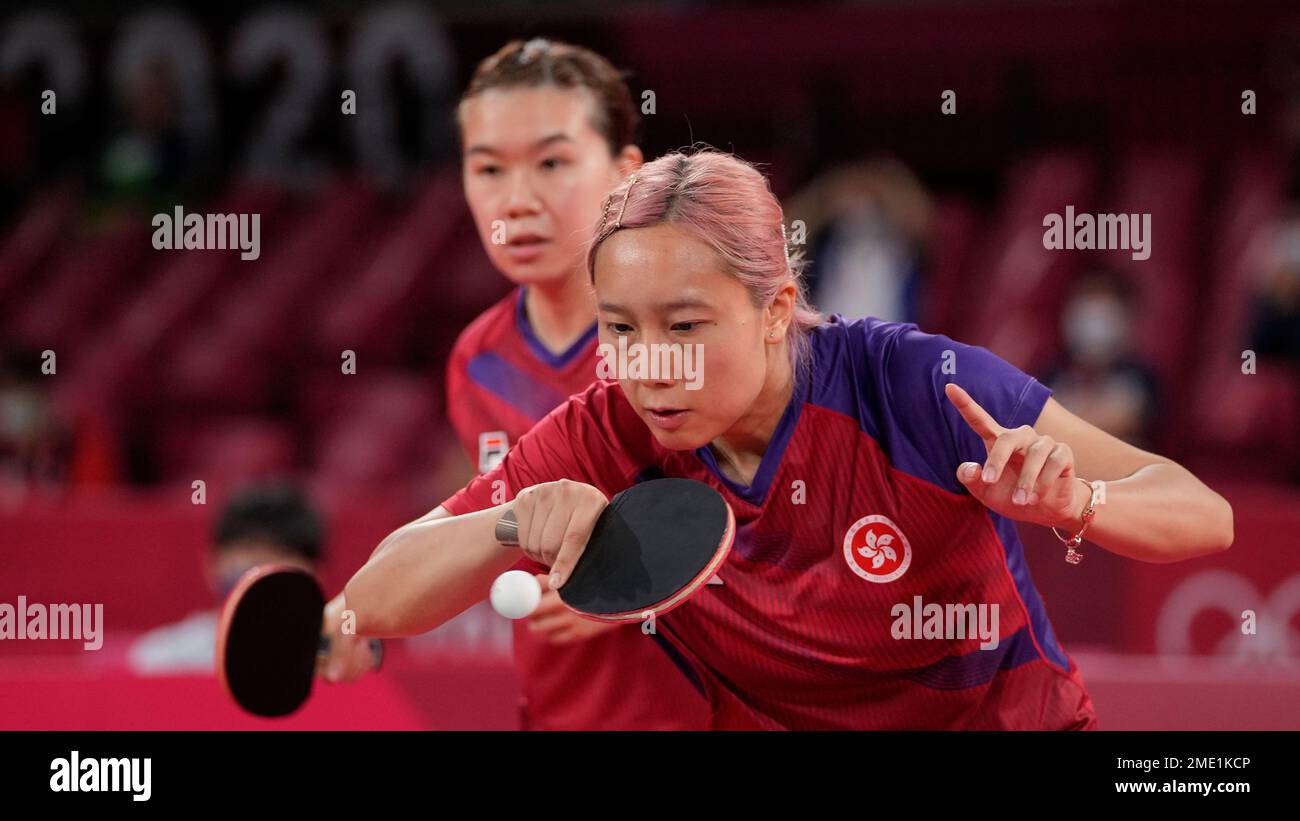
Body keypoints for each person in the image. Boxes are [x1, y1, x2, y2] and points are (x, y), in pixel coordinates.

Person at [342, 149, 1234, 730]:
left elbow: (1204, 513)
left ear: (775, 310)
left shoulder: (914, 384)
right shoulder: (609, 427)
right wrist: (511, 523)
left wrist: (1080, 502)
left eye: (685, 325)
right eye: (619, 328)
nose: (650, 366)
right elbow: (372, 598)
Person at [322, 39, 711, 730]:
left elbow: (787, 538)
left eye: (553, 162)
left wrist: (633, 590)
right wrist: (364, 621)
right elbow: (494, 524)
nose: (517, 200)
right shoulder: (477, 358)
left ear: (626, 173)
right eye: (489, 168)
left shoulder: (693, 334)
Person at [128, 481, 323, 674]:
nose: (263, 569)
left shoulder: (333, 663)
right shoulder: (162, 659)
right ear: (212, 563)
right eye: (249, 550)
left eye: (282, 553)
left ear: (316, 571)